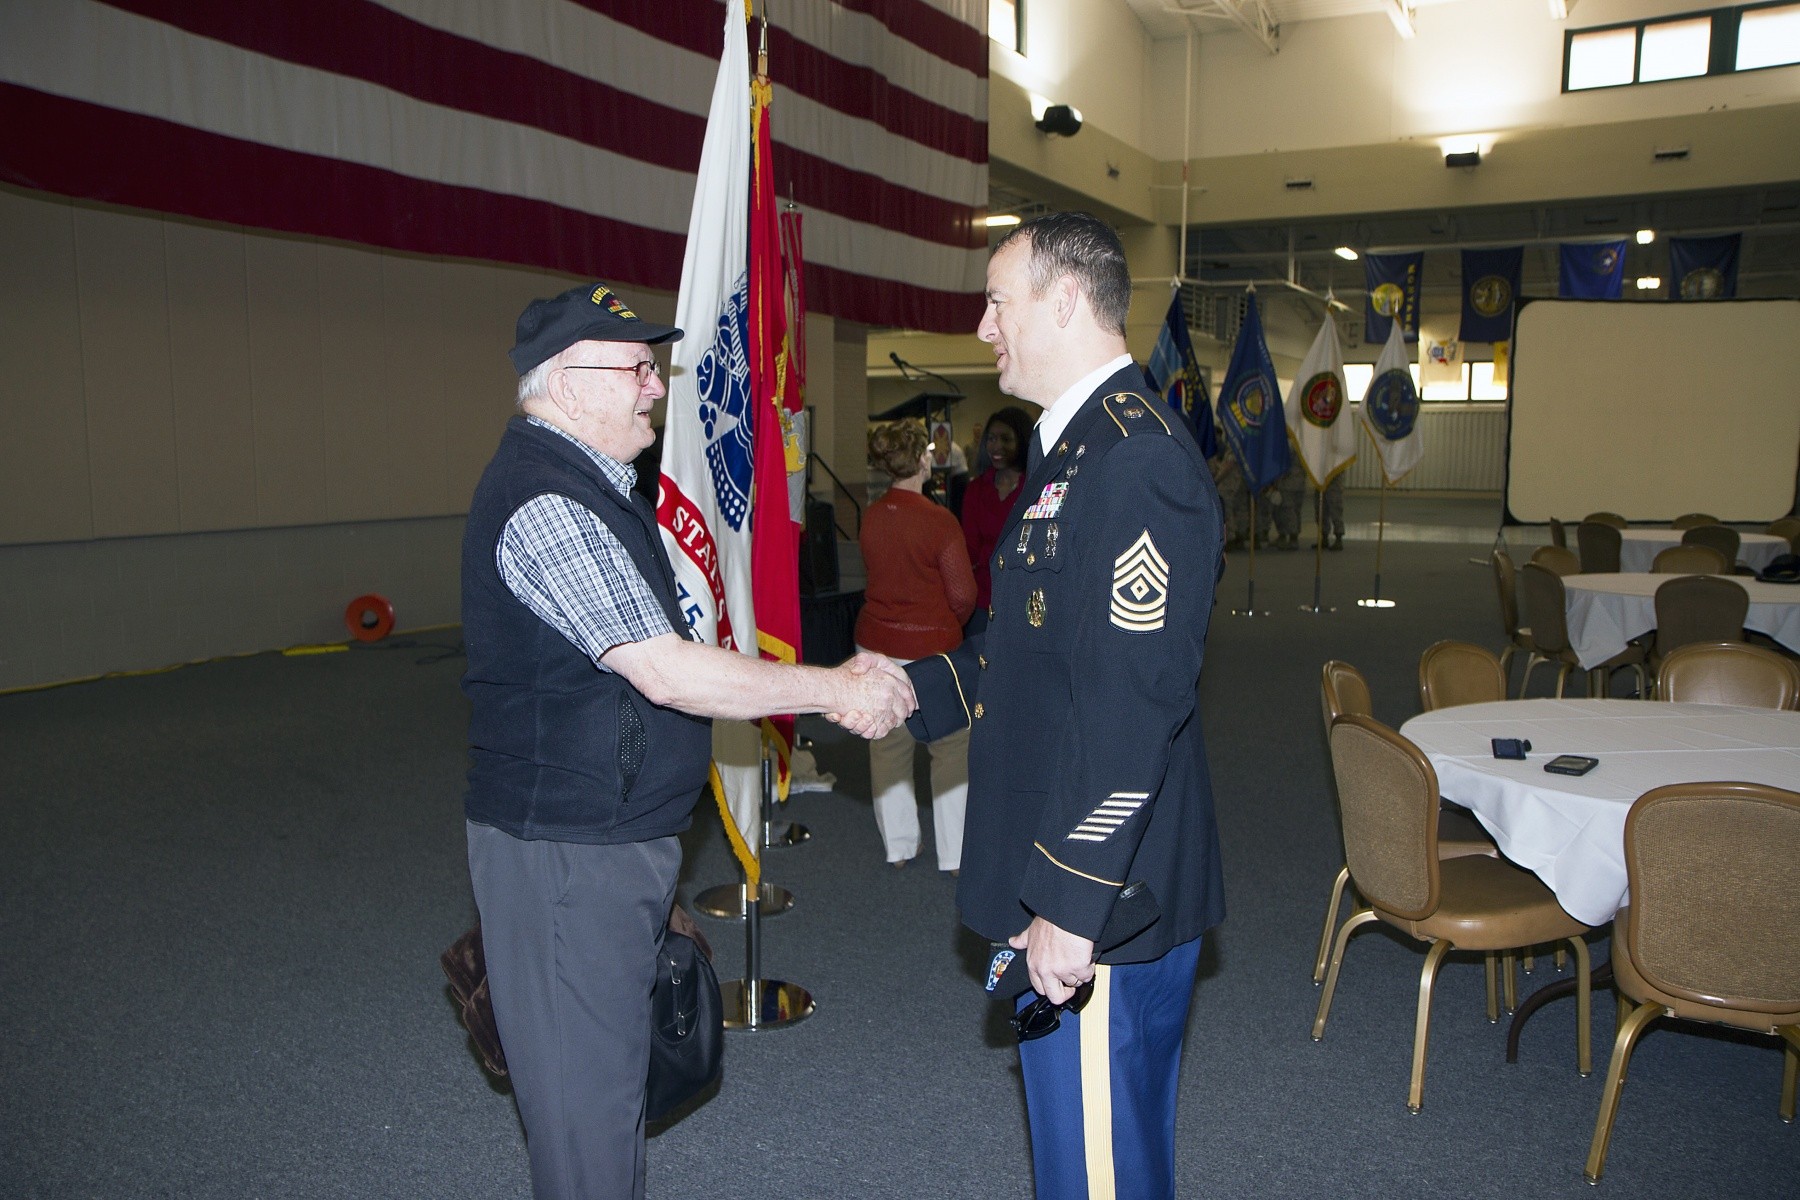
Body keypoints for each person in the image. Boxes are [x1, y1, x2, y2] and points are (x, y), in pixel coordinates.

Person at [460, 280, 914, 1200]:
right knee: (586, 1130)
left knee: (608, 1097)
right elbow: (665, 671)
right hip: (569, 856)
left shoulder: (592, 486)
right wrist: (835, 687)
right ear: (566, 383)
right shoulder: (546, 501)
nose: (655, 387)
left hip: (604, 843)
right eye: (635, 368)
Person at [901, 213, 1226, 1200]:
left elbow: (1133, 703)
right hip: (1075, 869)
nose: (983, 327)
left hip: (1102, 894)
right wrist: (907, 689)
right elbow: (1038, 648)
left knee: (1096, 1173)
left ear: (1065, 301)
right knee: (1097, 1160)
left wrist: (1069, 903)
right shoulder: (1079, 447)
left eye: (997, 301)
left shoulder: (1136, 459)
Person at [857, 420, 977, 872]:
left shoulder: (871, 516)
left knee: (887, 745)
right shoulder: (940, 521)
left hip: (875, 644)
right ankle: (955, 852)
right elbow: (962, 594)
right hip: (933, 651)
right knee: (949, 748)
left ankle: (900, 847)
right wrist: (947, 626)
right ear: (923, 460)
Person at [959, 405, 1035, 635]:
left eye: (1005, 439)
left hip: (1025, 596)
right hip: (983, 598)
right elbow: (969, 549)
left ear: (1022, 442)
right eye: (991, 439)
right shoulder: (976, 490)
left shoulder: (1036, 488)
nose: (996, 446)